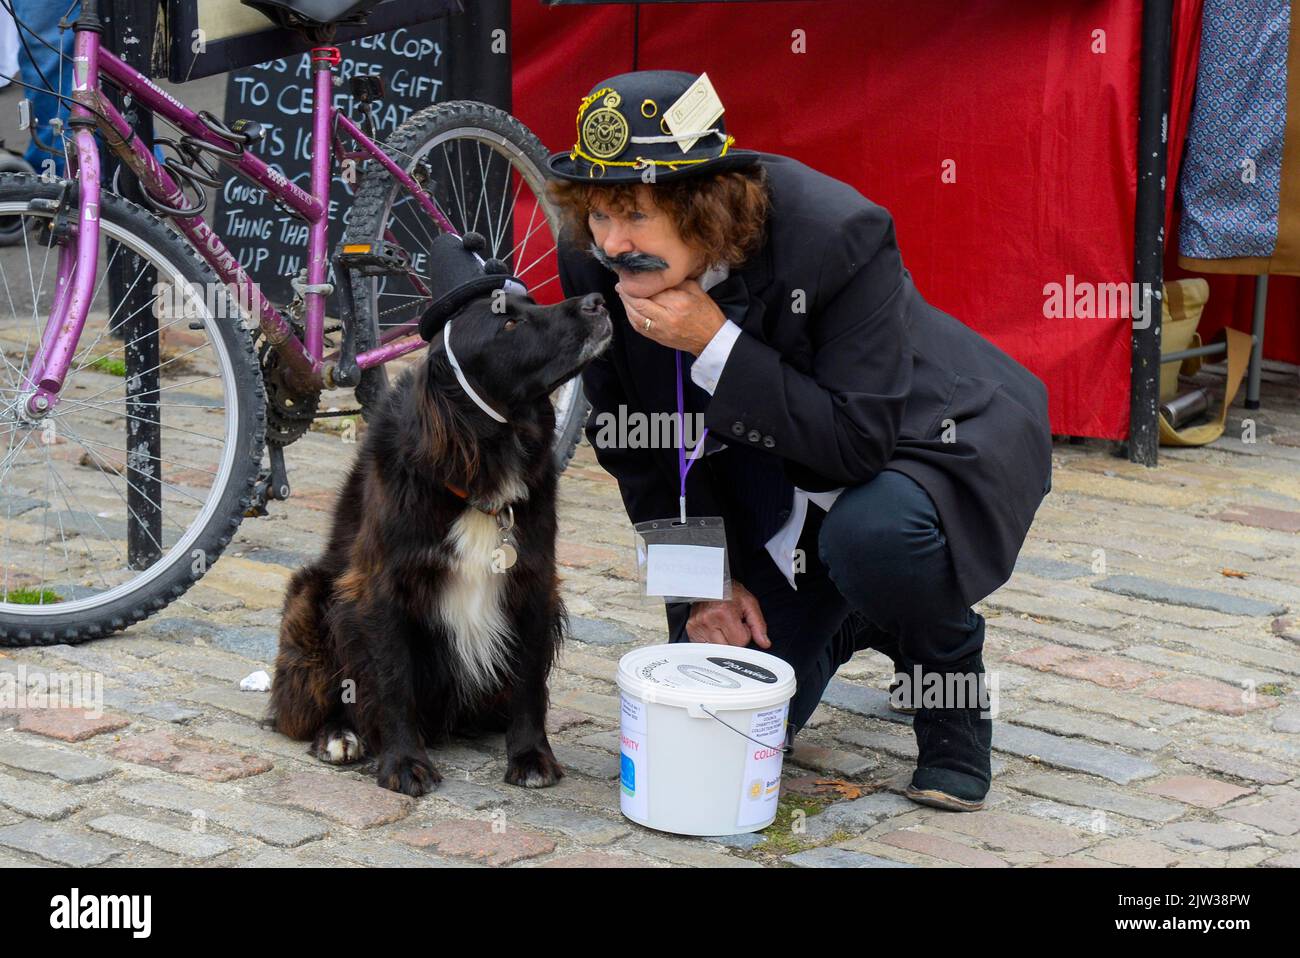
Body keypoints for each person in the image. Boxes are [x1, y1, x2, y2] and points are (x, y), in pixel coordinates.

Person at [549, 70, 1053, 812]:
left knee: (879, 538)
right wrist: (702, 584)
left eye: (634, 214)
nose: (612, 243)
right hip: (767, 466)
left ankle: (946, 685)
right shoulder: (595, 260)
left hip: (917, 436)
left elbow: (856, 443)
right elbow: (632, 444)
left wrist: (712, 341)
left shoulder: (837, 232)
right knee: (723, 723)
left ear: (703, 206)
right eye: (596, 214)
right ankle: (853, 611)